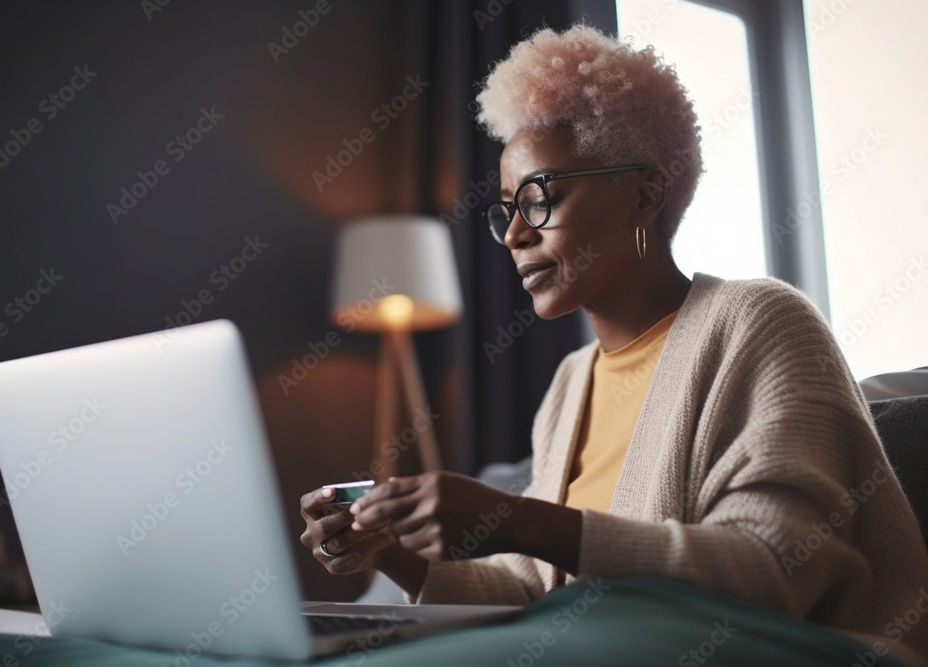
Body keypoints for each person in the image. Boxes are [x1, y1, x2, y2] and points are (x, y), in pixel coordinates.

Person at [300, 23, 928, 662]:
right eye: (507, 209)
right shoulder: (573, 380)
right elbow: (534, 593)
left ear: (646, 194)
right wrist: (395, 556)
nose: (516, 233)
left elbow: (775, 570)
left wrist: (517, 520)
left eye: (541, 197)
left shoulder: (760, 321)